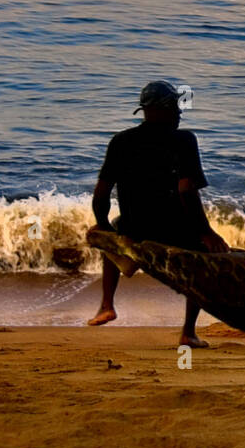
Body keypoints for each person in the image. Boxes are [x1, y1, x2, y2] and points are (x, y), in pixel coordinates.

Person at [87, 81, 229, 347]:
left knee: (114, 230)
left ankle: (107, 304)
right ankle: (188, 332)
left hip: (134, 228)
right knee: (201, 260)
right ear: (160, 109)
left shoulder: (121, 141)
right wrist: (205, 233)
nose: (180, 113)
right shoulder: (183, 140)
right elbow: (187, 191)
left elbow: (101, 193)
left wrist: (103, 226)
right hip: (174, 230)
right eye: (175, 107)